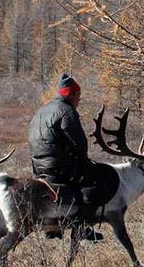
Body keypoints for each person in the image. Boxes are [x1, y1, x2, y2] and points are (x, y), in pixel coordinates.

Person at [28, 74, 117, 240]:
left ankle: (57, 224)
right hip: (59, 166)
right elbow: (80, 144)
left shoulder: (41, 110)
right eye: (78, 96)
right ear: (70, 95)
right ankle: (84, 225)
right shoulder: (67, 112)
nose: (79, 100)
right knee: (104, 176)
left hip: (38, 167)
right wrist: (86, 163)